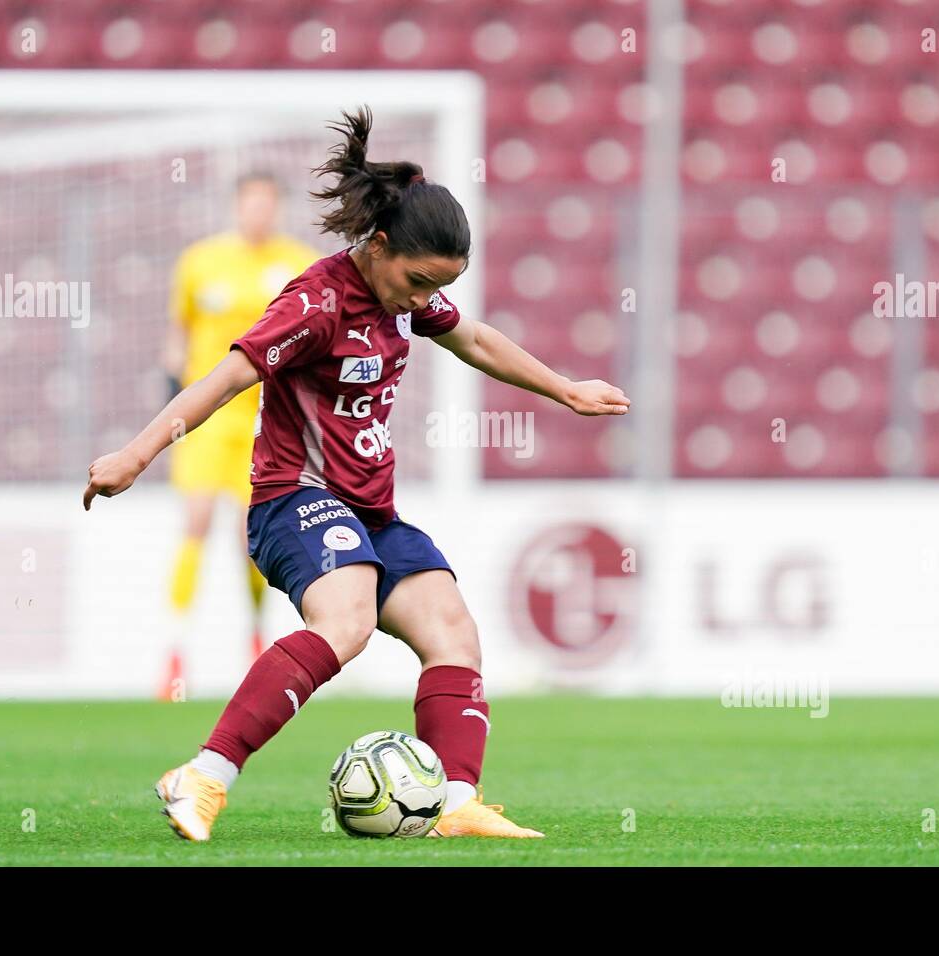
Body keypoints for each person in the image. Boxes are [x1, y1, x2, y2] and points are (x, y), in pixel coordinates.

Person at [84, 106, 630, 840]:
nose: (421, 298)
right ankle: (203, 776)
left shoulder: (406, 295)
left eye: (436, 286)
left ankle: (454, 802)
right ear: (376, 246)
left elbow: (474, 337)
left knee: (452, 631)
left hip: (370, 511)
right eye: (415, 280)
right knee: (347, 623)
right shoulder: (314, 303)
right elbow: (222, 380)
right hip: (294, 500)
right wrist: (135, 456)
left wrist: (564, 388)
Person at [162, 173, 319, 695]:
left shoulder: (297, 263)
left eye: (266, 203)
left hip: (263, 420)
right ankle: (175, 652)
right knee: (197, 521)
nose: (258, 212)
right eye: (249, 202)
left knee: (246, 538)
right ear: (236, 206)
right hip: (207, 418)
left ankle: (255, 636)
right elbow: (177, 337)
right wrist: (175, 404)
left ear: (276, 208)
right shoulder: (199, 262)